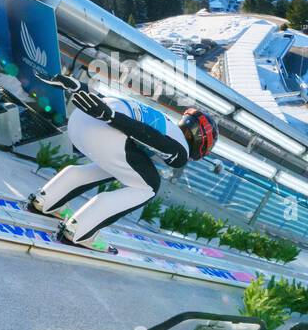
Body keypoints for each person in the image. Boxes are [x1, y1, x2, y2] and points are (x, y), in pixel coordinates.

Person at [27, 74, 218, 249]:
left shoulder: (164, 120)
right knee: (150, 185)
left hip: (81, 120)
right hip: (104, 125)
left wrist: (80, 88)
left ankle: (47, 200)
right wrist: (110, 117)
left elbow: (120, 109)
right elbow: (150, 137)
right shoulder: (181, 150)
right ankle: (80, 230)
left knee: (120, 168)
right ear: (202, 143)